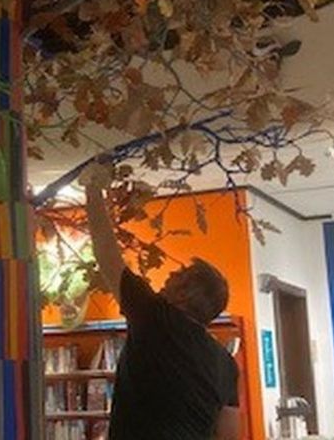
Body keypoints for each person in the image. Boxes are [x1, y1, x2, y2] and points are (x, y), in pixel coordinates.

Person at [82, 165, 241, 440]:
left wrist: (92, 189)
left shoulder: (157, 319)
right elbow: (229, 433)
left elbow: (107, 254)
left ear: (186, 293)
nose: (168, 277)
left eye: (179, 276)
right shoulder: (225, 363)